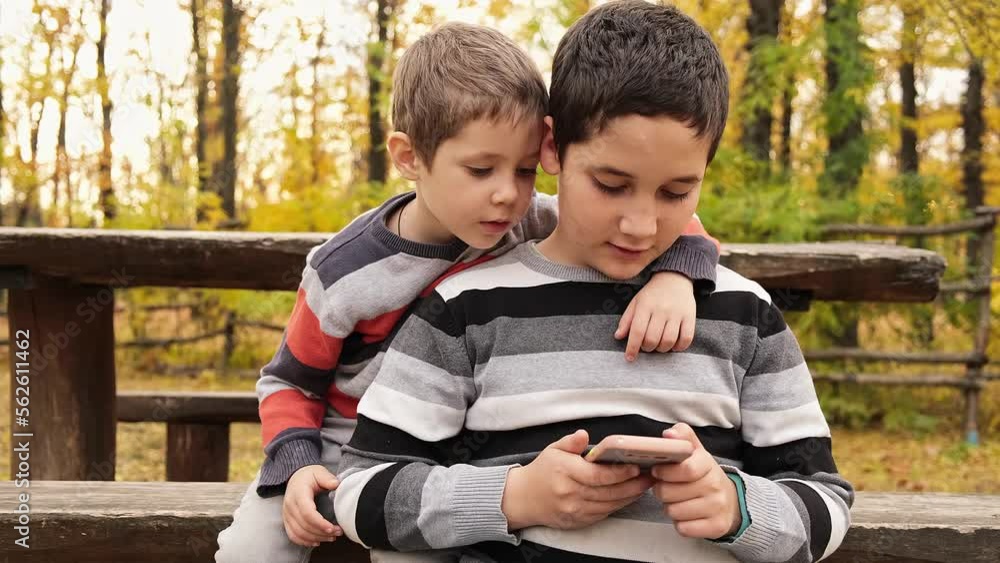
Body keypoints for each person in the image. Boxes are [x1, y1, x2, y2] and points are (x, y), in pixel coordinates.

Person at [333, 2, 853, 562]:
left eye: (677, 192)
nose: (641, 225)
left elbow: (825, 503)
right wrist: (512, 498)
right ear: (552, 147)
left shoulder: (745, 316)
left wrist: (738, 507)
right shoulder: (464, 310)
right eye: (610, 184)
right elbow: (362, 493)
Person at [215, 19, 721, 563]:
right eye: (481, 170)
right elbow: (289, 381)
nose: (507, 195)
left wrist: (676, 277)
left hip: (453, 447)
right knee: (250, 551)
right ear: (409, 157)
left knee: (420, 543)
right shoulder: (345, 270)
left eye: (524, 170)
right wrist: (296, 463)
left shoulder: (530, 221)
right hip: (341, 446)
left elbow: (667, 224)